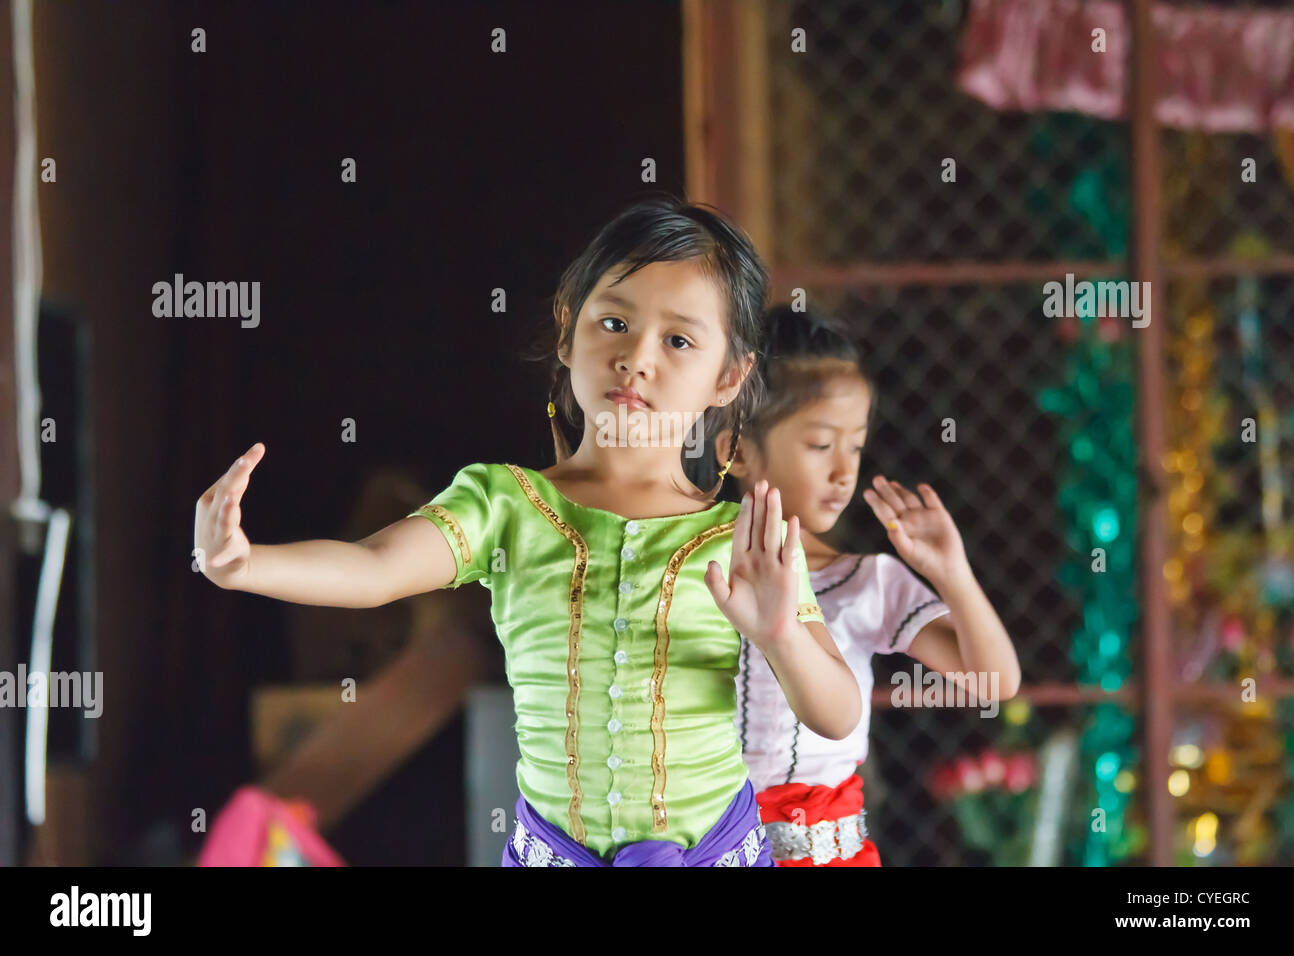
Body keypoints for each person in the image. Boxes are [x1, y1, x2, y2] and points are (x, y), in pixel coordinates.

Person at [193, 198, 861, 867]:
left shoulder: (744, 538)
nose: (636, 357)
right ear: (569, 332)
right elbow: (374, 568)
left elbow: (836, 714)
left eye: (678, 340)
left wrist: (779, 636)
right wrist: (245, 564)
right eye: (616, 322)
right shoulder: (505, 503)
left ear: (730, 376)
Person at [716, 304, 1021, 866]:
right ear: (736, 450)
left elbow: (993, 682)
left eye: (854, 446)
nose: (843, 471)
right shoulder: (690, 573)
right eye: (819, 444)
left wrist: (952, 573)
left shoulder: (865, 582)